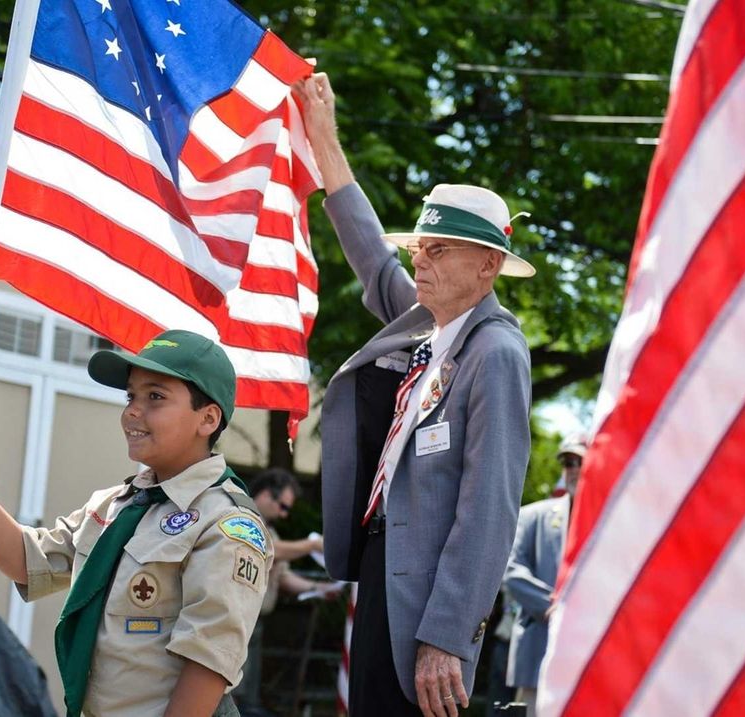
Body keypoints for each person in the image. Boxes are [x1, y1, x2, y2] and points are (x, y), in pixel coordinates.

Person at [297, 72, 534, 717]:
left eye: (438, 250)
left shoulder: (495, 351)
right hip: (385, 576)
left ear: (487, 267)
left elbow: (489, 510)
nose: (420, 262)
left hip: (428, 611)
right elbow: (373, 257)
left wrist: (448, 636)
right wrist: (324, 139)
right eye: (419, 248)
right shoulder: (428, 324)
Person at [0, 330, 273, 717]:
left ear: (207, 418)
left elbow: (208, 665)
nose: (132, 411)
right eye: (131, 396)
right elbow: (27, 561)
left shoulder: (226, 523)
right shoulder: (118, 505)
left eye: (155, 397)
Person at [235, 468, 330, 716]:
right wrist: (311, 545)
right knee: (232, 694)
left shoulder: (269, 528)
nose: (284, 515)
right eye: (283, 507)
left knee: (246, 697)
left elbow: (283, 575)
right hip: (235, 623)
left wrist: (319, 589)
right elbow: (271, 549)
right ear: (266, 495)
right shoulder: (240, 516)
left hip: (254, 625)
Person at [502, 434, 585, 711]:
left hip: (589, 655)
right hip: (539, 650)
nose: (573, 469)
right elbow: (512, 570)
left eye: (579, 462)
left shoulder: (610, 520)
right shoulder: (532, 516)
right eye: (568, 462)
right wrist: (556, 607)